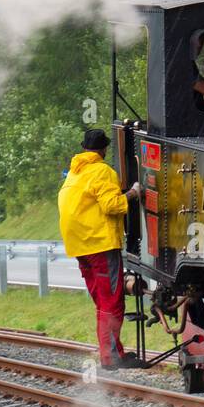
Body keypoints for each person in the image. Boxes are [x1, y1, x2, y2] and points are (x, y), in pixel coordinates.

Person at [58, 127, 142, 369]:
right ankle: (112, 357)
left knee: (102, 302)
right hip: (100, 245)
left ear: (84, 148)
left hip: (78, 247)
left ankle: (111, 353)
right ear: (104, 148)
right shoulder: (102, 171)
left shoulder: (74, 173)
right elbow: (111, 205)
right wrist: (134, 194)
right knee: (112, 302)